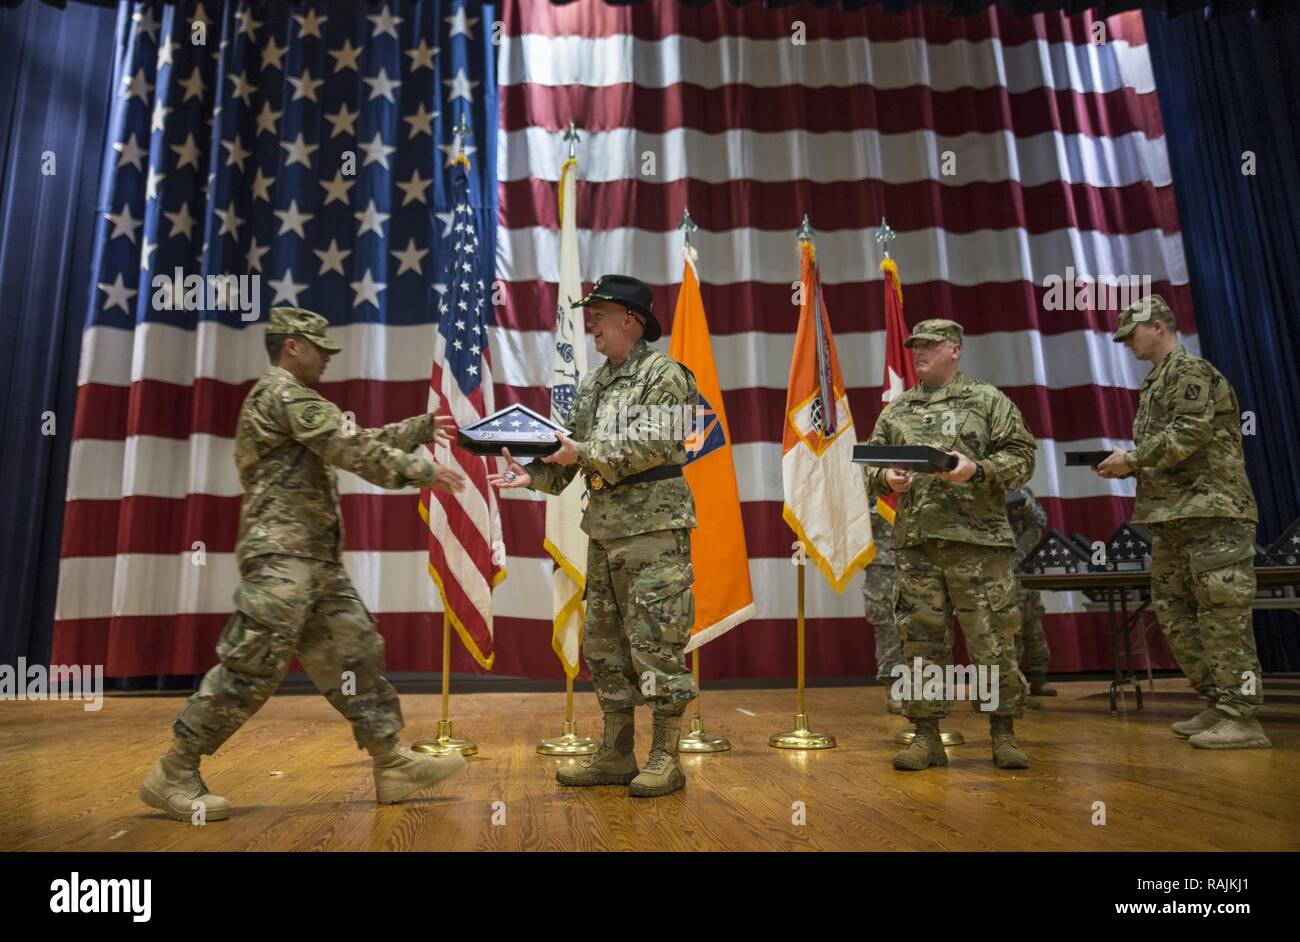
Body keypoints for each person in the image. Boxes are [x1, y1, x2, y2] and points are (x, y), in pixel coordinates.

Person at [139, 308, 470, 822]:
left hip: (314, 560)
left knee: (355, 652)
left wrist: (417, 429)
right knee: (253, 664)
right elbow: (345, 443)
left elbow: (346, 438)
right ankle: (175, 770)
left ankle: (391, 764)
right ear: (293, 345)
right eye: (320, 349)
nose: (326, 361)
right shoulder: (281, 391)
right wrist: (420, 470)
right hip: (281, 559)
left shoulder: (295, 402)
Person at [489, 275, 699, 796]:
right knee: (606, 647)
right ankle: (617, 751)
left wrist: (578, 452)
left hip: (654, 529)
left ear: (631, 320)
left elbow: (653, 443)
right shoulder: (594, 383)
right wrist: (533, 475)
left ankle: (665, 757)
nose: (591, 323)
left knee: (657, 643)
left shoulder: (666, 375)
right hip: (604, 530)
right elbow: (570, 455)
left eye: (600, 314)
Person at [863, 319, 1036, 771]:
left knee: (991, 641)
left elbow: (1023, 459)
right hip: (917, 545)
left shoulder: (987, 400)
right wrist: (886, 476)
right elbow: (869, 466)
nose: (919, 352)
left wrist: (976, 470)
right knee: (920, 642)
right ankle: (926, 735)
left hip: (978, 545)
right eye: (915, 346)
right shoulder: (897, 410)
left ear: (954, 350)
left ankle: (1003, 733)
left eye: (929, 345)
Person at [1097, 295, 1269, 749]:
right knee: (1175, 613)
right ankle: (1217, 702)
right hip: (1173, 515)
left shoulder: (1190, 372)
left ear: (1158, 326)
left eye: (1132, 333)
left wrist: (1130, 461)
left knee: (1223, 616)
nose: (1128, 343)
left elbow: (1189, 435)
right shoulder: (1157, 381)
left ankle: (1243, 716)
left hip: (1212, 512)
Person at [1007, 487, 1056, 696]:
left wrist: (1028, 510)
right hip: (1000, 568)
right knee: (1011, 629)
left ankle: (1039, 677)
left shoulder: (1024, 491)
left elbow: (1040, 521)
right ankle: (1013, 683)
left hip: (1025, 568)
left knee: (1034, 626)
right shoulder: (982, 488)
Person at [863, 507, 904, 713]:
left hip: (924, 559)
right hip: (883, 561)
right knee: (887, 624)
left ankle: (929, 689)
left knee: (929, 621)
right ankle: (895, 687)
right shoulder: (872, 477)